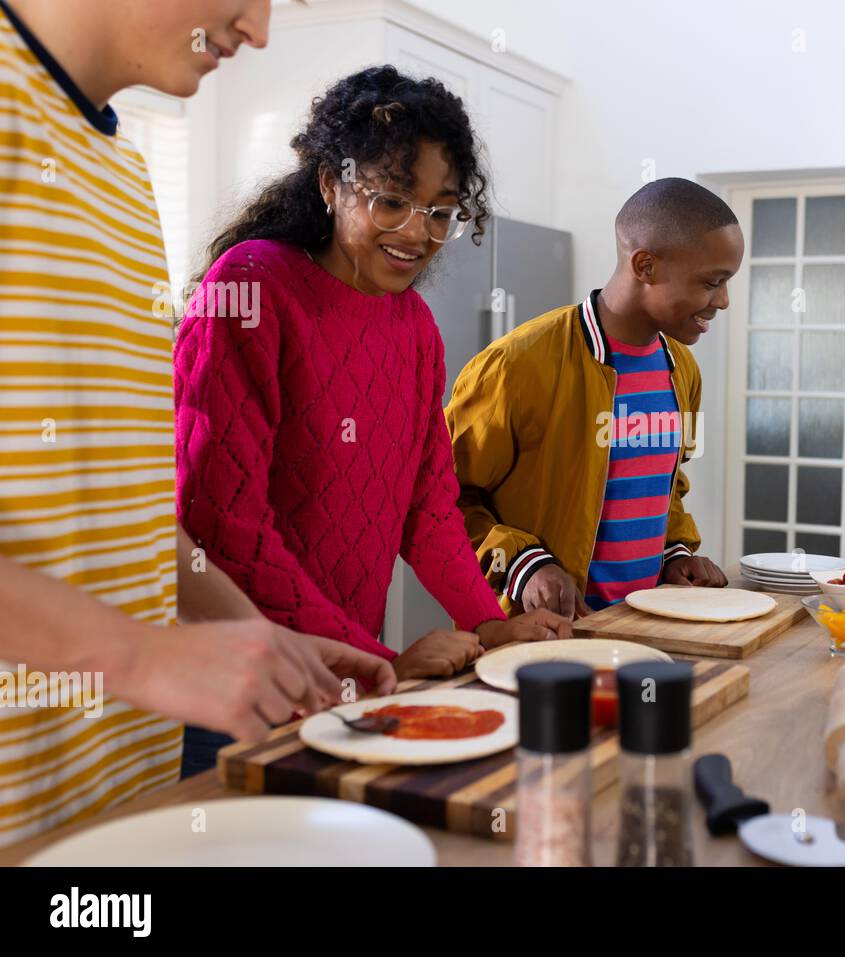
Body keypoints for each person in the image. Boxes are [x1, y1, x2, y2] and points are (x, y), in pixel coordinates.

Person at [0, 0, 396, 847]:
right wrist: (143, 657)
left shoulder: (119, 168)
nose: (258, 30)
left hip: (116, 796)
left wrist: (262, 641)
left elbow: (127, 510)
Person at [174, 66, 572, 775]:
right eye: (392, 200)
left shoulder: (414, 326)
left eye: (441, 211)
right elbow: (221, 528)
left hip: (345, 675)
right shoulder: (250, 287)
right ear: (331, 184)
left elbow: (428, 507)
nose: (418, 233)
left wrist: (489, 621)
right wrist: (379, 661)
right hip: (238, 680)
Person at [446, 178, 741, 615]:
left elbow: (665, 486)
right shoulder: (515, 365)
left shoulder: (683, 370)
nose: (724, 301)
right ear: (645, 266)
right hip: (535, 642)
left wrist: (675, 555)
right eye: (711, 282)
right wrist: (523, 564)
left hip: (640, 628)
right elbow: (441, 497)